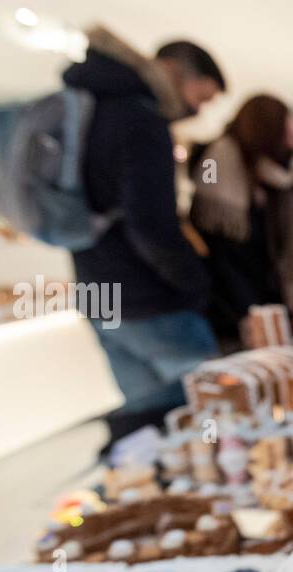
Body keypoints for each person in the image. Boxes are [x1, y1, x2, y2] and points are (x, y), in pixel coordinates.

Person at [62, 26, 226, 427]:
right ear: (171, 69)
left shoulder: (85, 112)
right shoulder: (140, 120)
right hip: (150, 299)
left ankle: (156, 485)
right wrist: (197, 285)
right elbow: (151, 227)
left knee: (148, 421)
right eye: (199, 97)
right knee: (215, 420)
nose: (197, 111)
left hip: (99, 296)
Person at [189, 94, 293, 350]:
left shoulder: (282, 180)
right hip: (230, 311)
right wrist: (248, 313)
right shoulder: (218, 163)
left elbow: (291, 249)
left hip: (275, 302)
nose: (292, 138)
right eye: (286, 130)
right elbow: (219, 255)